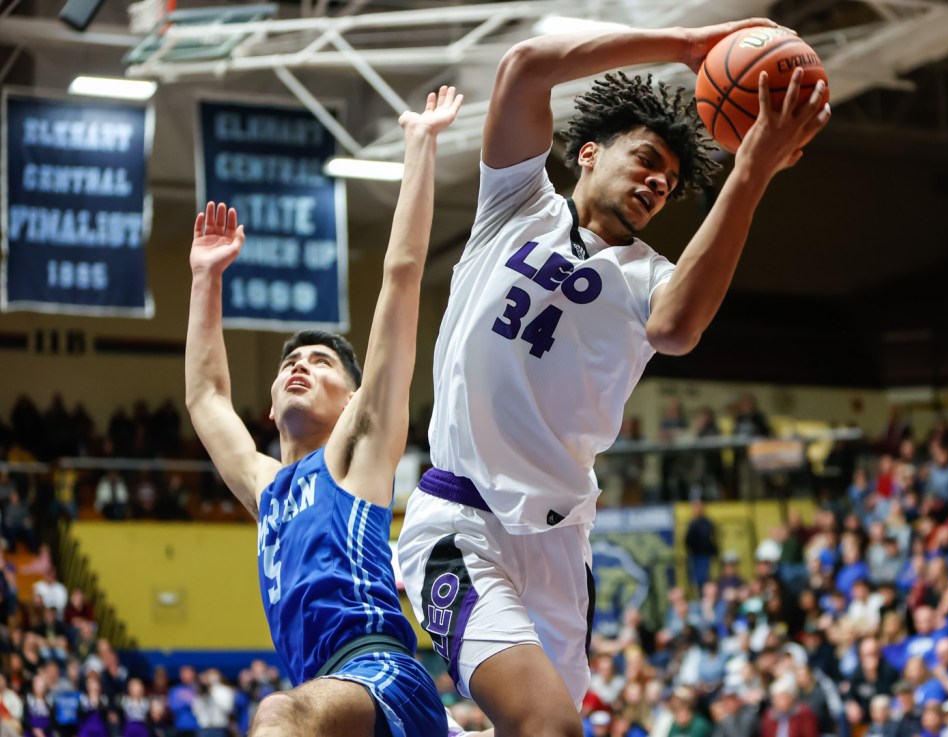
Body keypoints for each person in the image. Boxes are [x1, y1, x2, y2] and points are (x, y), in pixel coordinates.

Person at [396, 16, 829, 737]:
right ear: (589, 154)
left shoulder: (650, 279)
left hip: (563, 545)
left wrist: (750, 169)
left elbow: (678, 329)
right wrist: (691, 45)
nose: (660, 181)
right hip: (460, 524)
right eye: (648, 160)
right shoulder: (514, 206)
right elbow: (526, 64)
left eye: (672, 181)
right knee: (549, 724)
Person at [184, 88, 487, 737]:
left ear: (353, 400)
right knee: (288, 707)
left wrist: (420, 145)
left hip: (378, 671)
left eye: (323, 362)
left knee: (276, 713)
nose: (302, 365)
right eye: (291, 363)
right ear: (269, 407)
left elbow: (402, 276)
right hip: (326, 688)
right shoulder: (267, 487)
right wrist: (206, 276)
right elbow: (206, 396)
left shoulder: (354, 451)